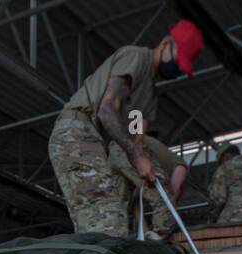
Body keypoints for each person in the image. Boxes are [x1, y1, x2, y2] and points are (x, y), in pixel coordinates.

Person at [48, 20, 204, 235]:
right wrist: (138, 158)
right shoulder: (136, 57)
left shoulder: (149, 95)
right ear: (166, 44)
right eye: (178, 62)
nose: (177, 69)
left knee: (109, 218)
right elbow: (107, 109)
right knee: (107, 219)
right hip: (77, 131)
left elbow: (136, 139)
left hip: (97, 143)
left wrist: (147, 172)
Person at [108, 134, 189, 238]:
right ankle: (160, 242)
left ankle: (114, 242)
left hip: (114, 149)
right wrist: (172, 201)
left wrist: (145, 231)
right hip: (130, 150)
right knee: (164, 197)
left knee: (117, 205)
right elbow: (181, 168)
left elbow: (135, 200)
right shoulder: (172, 161)